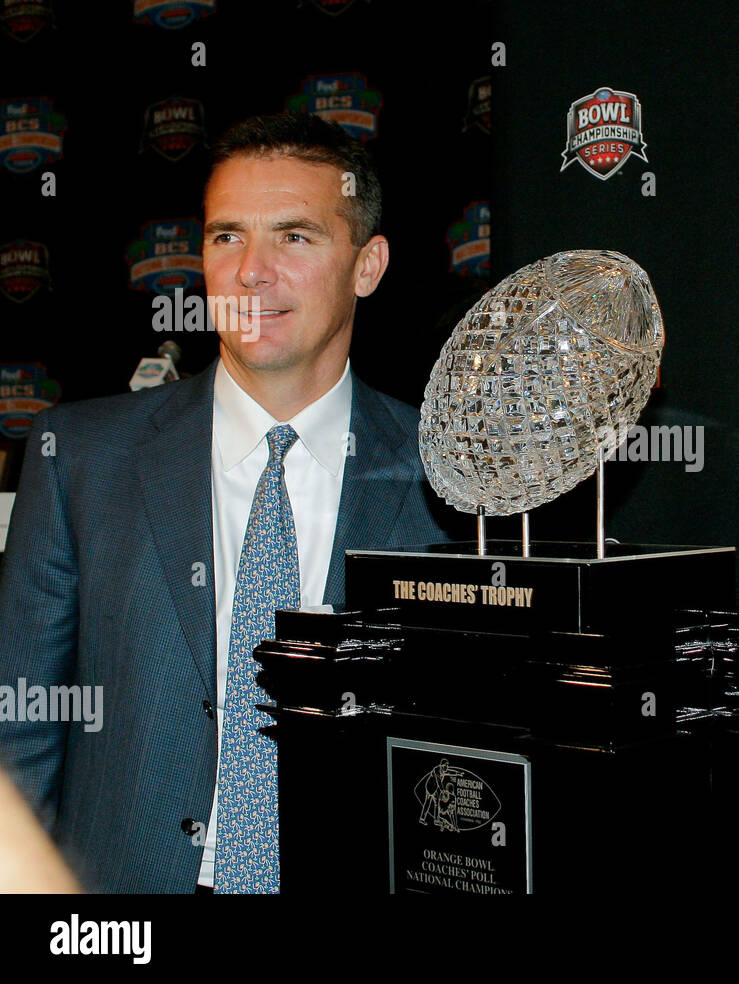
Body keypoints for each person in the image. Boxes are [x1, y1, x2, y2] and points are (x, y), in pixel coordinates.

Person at [0, 113, 450, 893]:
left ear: (368, 265)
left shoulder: (449, 477)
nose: (251, 272)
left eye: (295, 238)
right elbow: (19, 730)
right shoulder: (79, 459)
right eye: (226, 237)